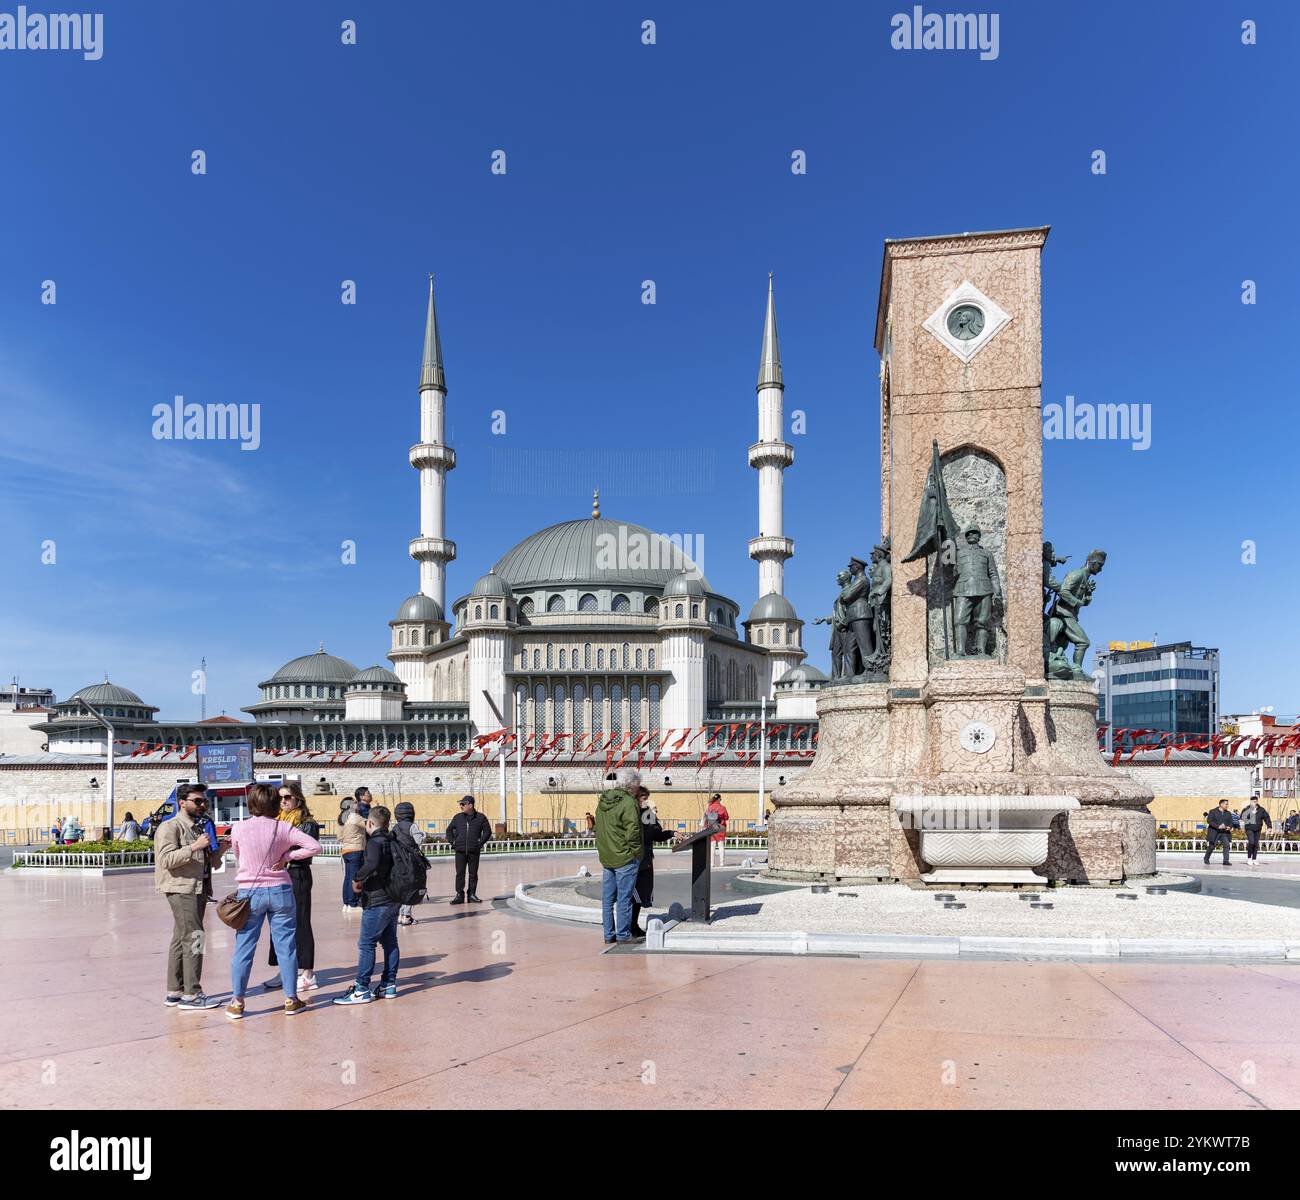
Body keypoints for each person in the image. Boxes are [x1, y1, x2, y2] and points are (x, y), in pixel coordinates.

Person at [226, 782, 321, 1020]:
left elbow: (238, 856)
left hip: (249, 891)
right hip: (280, 888)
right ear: (274, 803)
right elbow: (314, 846)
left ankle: (237, 1001)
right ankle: (291, 999)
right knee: (286, 946)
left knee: (244, 947)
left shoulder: (238, 828)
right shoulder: (283, 828)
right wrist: (288, 856)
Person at [155, 783, 229, 1010]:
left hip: (198, 888)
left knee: (181, 938)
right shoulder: (170, 827)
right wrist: (195, 847)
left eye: (203, 801)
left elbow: (211, 864)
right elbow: (166, 860)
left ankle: (175, 991)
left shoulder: (199, 828)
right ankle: (193, 994)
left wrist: (222, 848)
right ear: (182, 802)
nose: (202, 805)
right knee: (196, 937)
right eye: (197, 801)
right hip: (182, 888)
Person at [334, 805, 401, 1004]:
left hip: (377, 900)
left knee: (366, 944)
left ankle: (362, 988)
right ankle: (389, 985)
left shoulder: (374, 842)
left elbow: (371, 864)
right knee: (390, 943)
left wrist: (357, 878)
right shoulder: (393, 840)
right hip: (393, 899)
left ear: (370, 823)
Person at [262, 782, 320, 993]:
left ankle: (307, 973)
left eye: (288, 797)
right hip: (278, 875)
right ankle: (285, 969)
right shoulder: (276, 821)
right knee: (279, 923)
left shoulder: (306, 823)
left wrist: (287, 857)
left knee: (301, 921)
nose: (283, 802)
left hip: (298, 874)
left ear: (298, 799)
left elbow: (309, 849)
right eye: (281, 798)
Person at [594, 768, 644, 945]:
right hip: (625, 857)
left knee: (608, 900)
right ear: (631, 786)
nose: (639, 790)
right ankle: (623, 935)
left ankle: (609, 934)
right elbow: (633, 831)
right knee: (624, 898)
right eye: (638, 787)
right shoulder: (629, 802)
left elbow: (597, 828)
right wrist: (637, 852)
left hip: (608, 856)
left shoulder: (603, 801)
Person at [630, 786, 675, 937]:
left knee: (640, 894)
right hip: (632, 858)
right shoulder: (629, 813)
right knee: (631, 895)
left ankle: (633, 925)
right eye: (643, 798)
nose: (646, 801)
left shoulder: (648, 814)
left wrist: (671, 833)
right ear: (635, 798)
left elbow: (656, 834)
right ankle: (629, 926)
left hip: (645, 858)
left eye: (646, 798)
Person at [446, 794, 492, 904]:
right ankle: (459, 895)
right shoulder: (457, 817)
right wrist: (453, 842)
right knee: (460, 873)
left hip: (474, 851)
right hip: (460, 851)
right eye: (460, 804)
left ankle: (471, 894)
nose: (460, 806)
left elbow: (487, 832)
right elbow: (449, 830)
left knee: (473, 874)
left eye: (463, 804)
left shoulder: (481, 817)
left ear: (470, 805)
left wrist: (479, 844)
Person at [338, 788, 370, 915]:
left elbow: (339, 837)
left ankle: (346, 903)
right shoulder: (354, 816)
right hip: (356, 849)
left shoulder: (342, 819)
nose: (357, 804)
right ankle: (353, 903)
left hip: (346, 850)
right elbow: (369, 825)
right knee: (354, 878)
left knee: (348, 877)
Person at [393, 801, 425, 926]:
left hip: (398, 861)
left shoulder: (395, 827)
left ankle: (400, 915)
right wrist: (424, 834)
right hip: (412, 861)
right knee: (411, 888)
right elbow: (419, 841)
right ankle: (407, 916)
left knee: (401, 887)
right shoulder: (412, 826)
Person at [1240, 798, 1273, 867]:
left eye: (1255, 801)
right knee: (1251, 842)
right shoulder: (1247, 809)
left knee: (1255, 843)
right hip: (1249, 828)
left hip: (1258, 829)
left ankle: (1254, 859)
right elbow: (1243, 818)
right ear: (1250, 801)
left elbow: (1266, 818)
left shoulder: (1261, 809)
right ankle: (1249, 858)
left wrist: (1269, 827)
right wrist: (1251, 813)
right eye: (1252, 801)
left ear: (1257, 801)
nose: (1254, 803)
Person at [1203, 799, 1235, 867]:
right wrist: (1218, 826)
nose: (1227, 805)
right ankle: (1206, 858)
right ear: (1221, 804)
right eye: (1226, 804)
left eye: (1227, 804)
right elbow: (1209, 821)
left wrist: (1229, 827)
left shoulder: (1228, 813)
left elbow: (1231, 822)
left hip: (1224, 832)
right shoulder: (1213, 811)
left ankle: (1226, 861)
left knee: (1226, 845)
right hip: (1214, 832)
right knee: (1212, 846)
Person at [705, 793, 729, 868]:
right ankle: (721, 863)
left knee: (712, 846)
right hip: (720, 827)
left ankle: (712, 863)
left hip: (712, 827)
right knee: (721, 845)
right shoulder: (722, 807)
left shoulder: (709, 807)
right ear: (719, 799)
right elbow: (727, 817)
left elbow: (706, 817)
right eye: (720, 799)